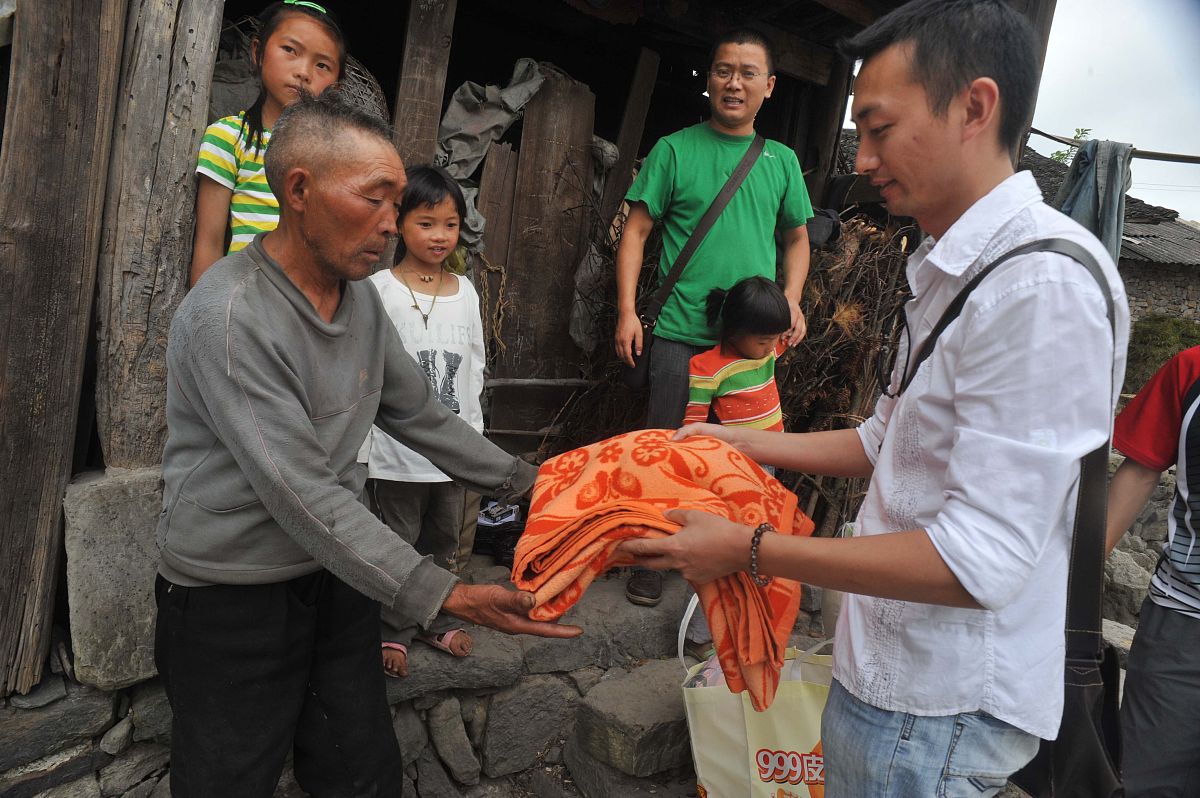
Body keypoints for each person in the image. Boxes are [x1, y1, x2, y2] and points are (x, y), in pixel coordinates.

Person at [617, 2, 1129, 795]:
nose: (862, 158)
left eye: (881, 127)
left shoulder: (1037, 289)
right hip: (895, 681)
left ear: (975, 107)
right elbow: (883, 440)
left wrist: (747, 549)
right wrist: (731, 444)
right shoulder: (958, 268)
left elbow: (976, 561)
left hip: (935, 709)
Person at [155, 92, 580, 797]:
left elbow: (422, 416)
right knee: (226, 778)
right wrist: (446, 592)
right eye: (376, 201)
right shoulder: (228, 317)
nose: (392, 226)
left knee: (361, 769)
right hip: (231, 600)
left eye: (396, 206)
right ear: (299, 190)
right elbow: (301, 492)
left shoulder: (359, 300)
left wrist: (539, 485)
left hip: (339, 579)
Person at [613, 28, 814, 606]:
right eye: (724, 70)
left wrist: (793, 298)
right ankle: (652, 556)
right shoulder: (675, 150)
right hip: (678, 332)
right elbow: (637, 232)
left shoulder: (781, 162)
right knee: (667, 446)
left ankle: (733, 555)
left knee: (747, 453)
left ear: (769, 87)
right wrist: (628, 311)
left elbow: (797, 240)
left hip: (752, 343)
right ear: (709, 80)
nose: (734, 82)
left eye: (749, 73)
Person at [357, 165, 485, 678]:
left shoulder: (467, 293)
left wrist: (473, 444)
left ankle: (435, 619)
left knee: (444, 543)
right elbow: (364, 373)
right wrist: (364, 448)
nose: (439, 236)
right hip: (396, 452)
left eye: (450, 225)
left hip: (452, 453)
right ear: (400, 224)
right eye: (427, 223)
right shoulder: (376, 290)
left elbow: (475, 368)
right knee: (398, 543)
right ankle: (394, 630)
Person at [190, 0, 344, 286]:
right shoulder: (229, 138)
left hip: (312, 305)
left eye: (322, 65)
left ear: (336, 88)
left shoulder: (339, 156)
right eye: (290, 50)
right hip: (245, 301)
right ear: (257, 52)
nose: (304, 72)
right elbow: (208, 246)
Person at [1104, 346, 1200, 797]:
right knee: (1144, 781)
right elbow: (1141, 471)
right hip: (1181, 625)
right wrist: (1070, 585)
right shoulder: (1191, 369)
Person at [682, 276, 791, 432]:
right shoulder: (707, 368)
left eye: (775, 338)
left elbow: (791, 334)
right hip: (740, 452)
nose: (771, 347)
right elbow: (694, 421)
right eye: (763, 342)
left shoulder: (767, 352)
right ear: (734, 332)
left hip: (776, 447)